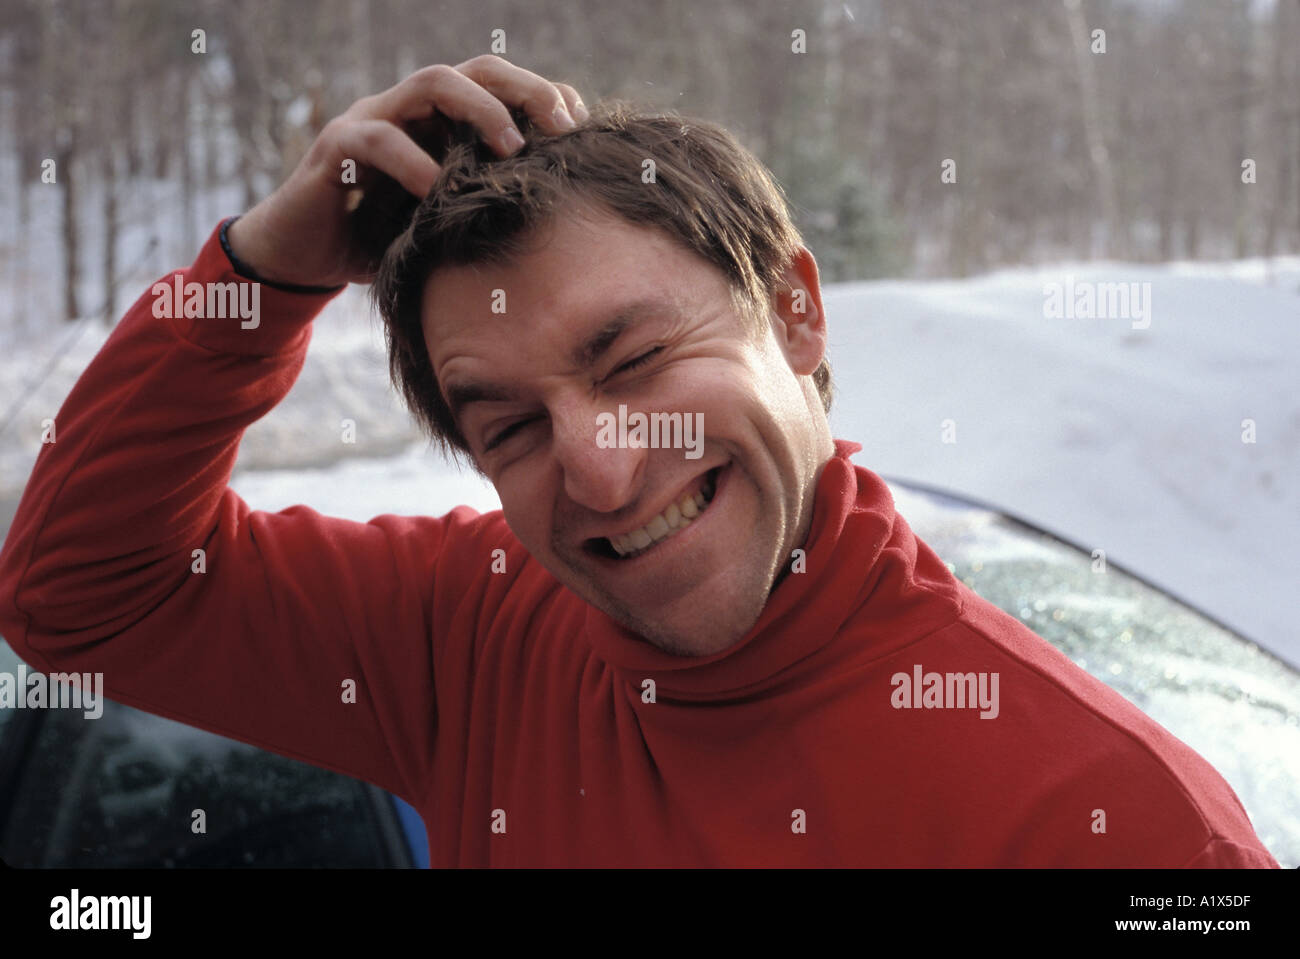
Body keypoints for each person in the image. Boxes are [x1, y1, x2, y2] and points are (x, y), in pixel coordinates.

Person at [0, 55, 1278, 867]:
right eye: (508, 425)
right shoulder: (477, 631)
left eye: (633, 358)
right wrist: (262, 274)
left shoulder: (1115, 822)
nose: (604, 471)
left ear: (793, 314)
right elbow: (80, 593)